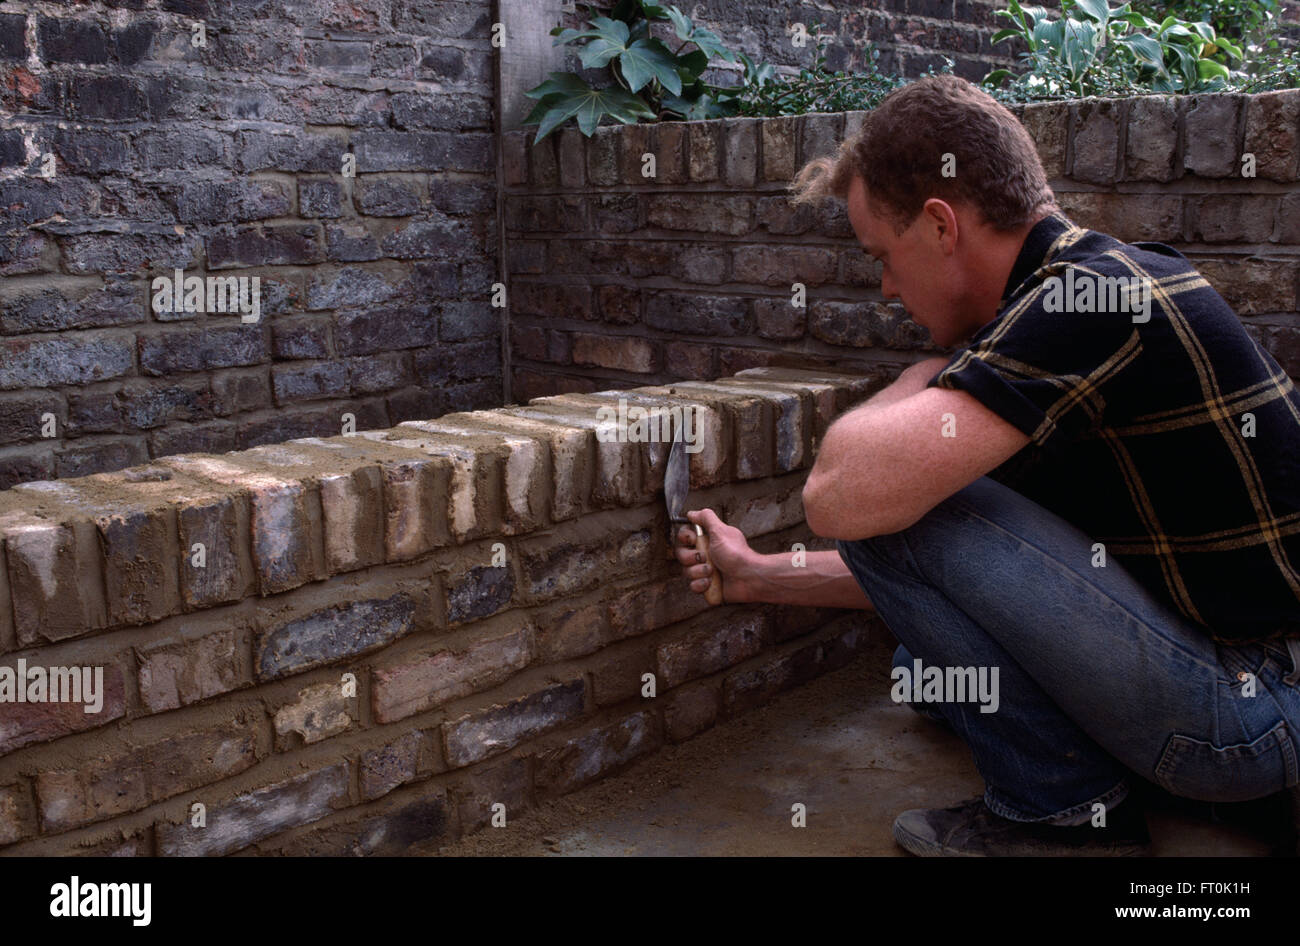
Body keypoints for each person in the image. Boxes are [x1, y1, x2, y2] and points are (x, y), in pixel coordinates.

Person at [673, 74, 1300, 856]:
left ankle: (1062, 822)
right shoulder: (1085, 291)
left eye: (884, 257)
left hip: (1252, 716)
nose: (886, 287)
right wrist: (760, 575)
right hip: (1252, 686)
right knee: (927, 674)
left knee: (888, 501)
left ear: (940, 225)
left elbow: (845, 500)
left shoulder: (1088, 301)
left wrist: (921, 380)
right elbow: (996, 579)